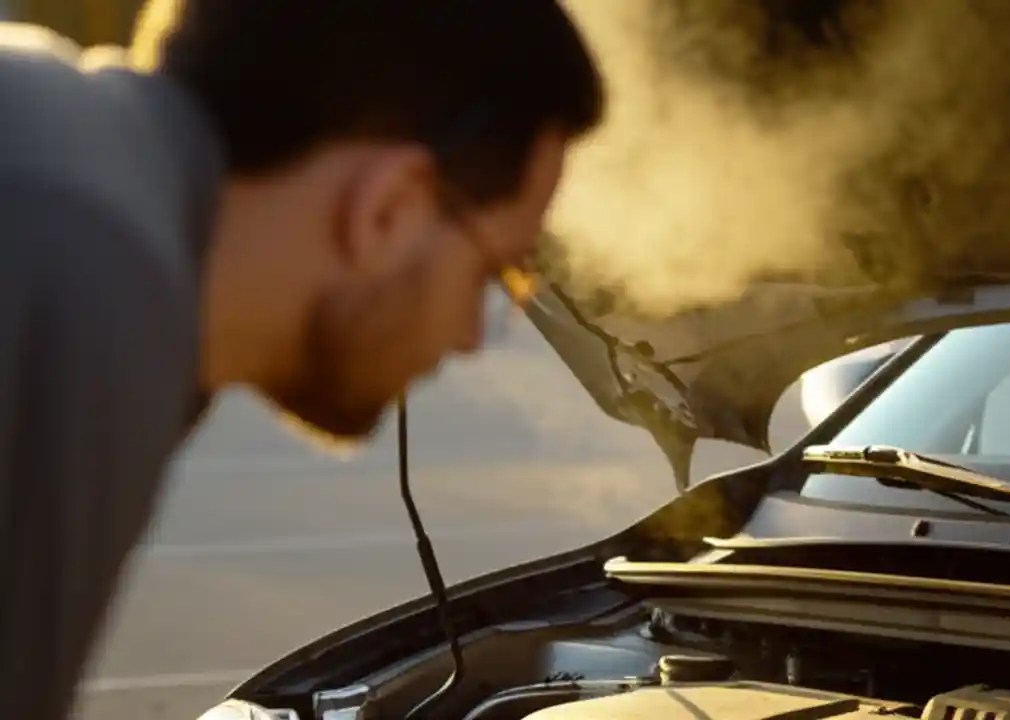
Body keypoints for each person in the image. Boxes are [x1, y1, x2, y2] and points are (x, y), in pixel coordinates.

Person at [0, 1, 604, 718]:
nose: (474, 336)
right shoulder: (93, 274)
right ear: (389, 209)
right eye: (496, 277)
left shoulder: (65, 151)